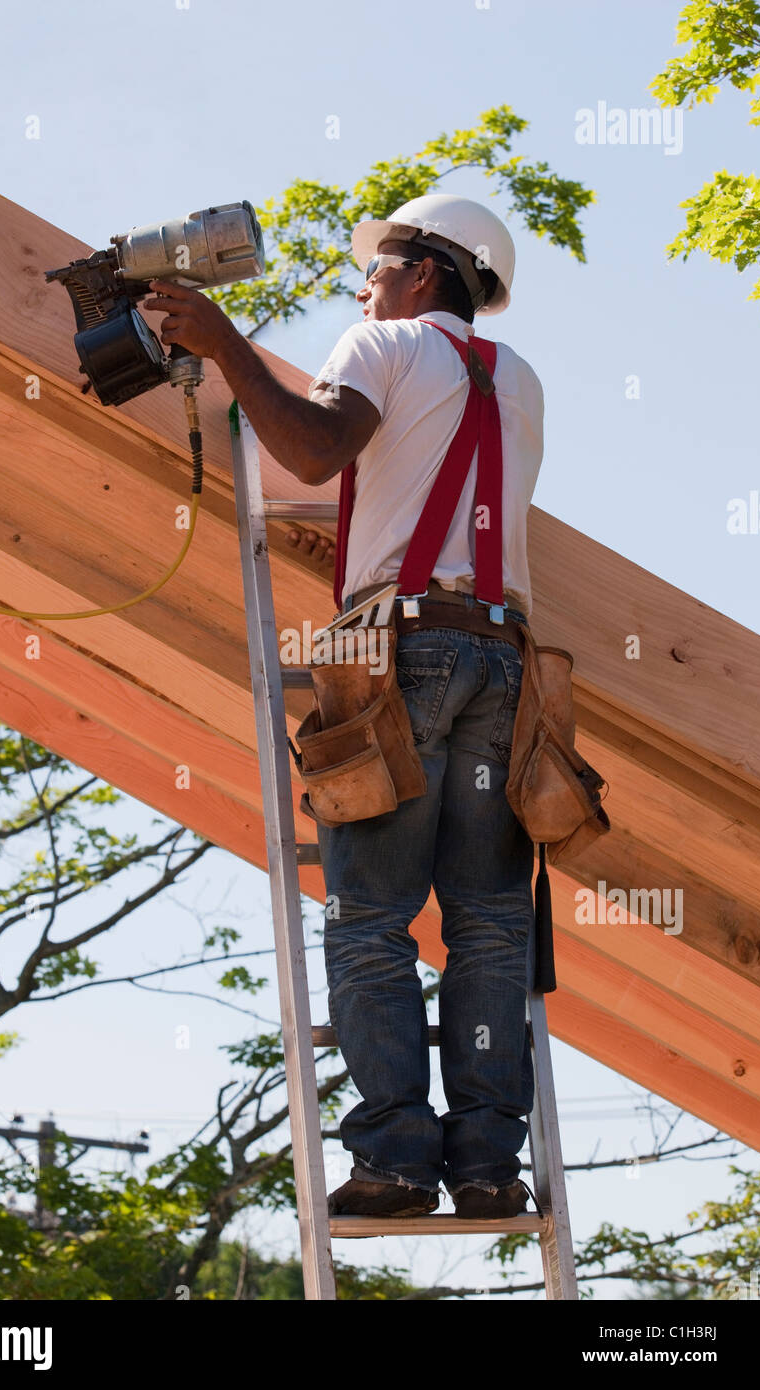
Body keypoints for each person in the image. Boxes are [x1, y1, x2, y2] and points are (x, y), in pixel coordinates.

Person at [143, 193, 544, 1220]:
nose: (361, 287)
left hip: (400, 652)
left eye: (375, 270)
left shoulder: (385, 339)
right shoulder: (518, 379)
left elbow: (316, 451)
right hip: (503, 663)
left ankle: (398, 1161)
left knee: (370, 921)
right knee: (490, 927)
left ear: (420, 274)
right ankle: (488, 1164)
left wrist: (222, 339)